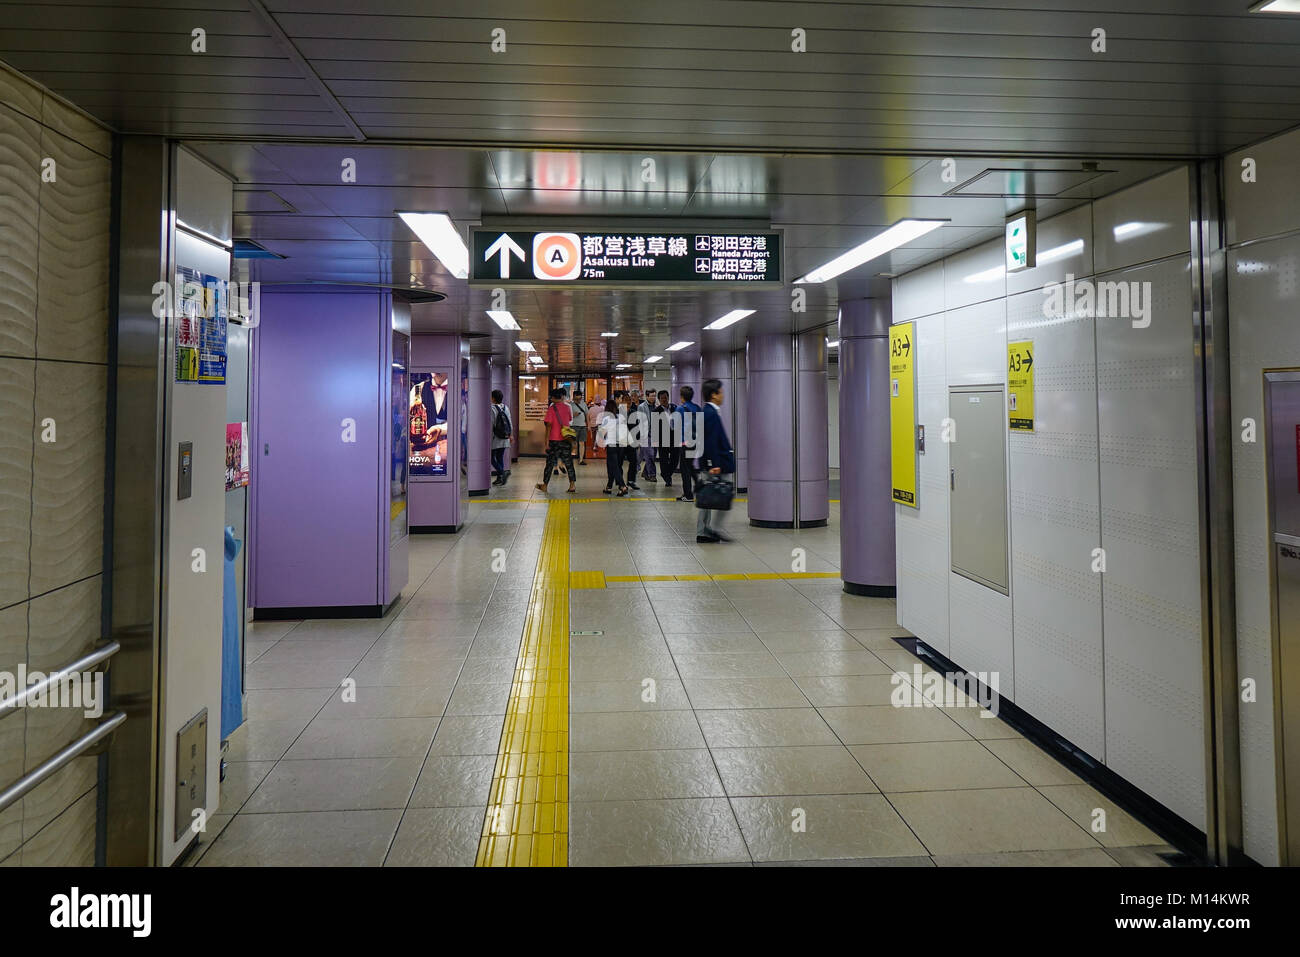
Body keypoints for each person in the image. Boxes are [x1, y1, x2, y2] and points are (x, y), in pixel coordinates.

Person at [696, 378, 735, 543]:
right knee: (720, 495)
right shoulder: (710, 413)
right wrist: (714, 464)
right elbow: (710, 441)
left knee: (708, 496)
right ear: (714, 395)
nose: (723, 395)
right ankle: (712, 530)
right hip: (715, 464)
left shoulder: (708, 412)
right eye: (721, 391)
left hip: (712, 462)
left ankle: (705, 531)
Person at [536, 387, 576, 493]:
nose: (550, 399)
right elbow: (569, 420)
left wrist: (546, 440)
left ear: (554, 397)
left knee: (549, 463)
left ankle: (545, 485)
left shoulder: (552, 409)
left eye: (551, 397)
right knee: (568, 463)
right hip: (566, 439)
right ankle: (572, 485)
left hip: (554, 439)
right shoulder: (567, 407)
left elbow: (548, 425)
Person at [595, 399, 628, 496]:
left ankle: (622, 486)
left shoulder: (607, 418)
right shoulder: (621, 417)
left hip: (612, 444)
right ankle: (609, 486)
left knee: (614, 467)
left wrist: (599, 443)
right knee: (614, 466)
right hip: (621, 444)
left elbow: (602, 432)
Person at [675, 385, 701, 502]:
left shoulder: (680, 409)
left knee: (685, 469)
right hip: (695, 442)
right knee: (690, 466)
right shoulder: (697, 408)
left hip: (684, 443)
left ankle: (688, 495)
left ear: (682, 397)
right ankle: (699, 486)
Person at [490, 388, 512, 486]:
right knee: (500, 457)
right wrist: (511, 435)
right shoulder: (505, 408)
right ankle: (500, 478)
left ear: (493, 398)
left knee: (491, 457)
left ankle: (502, 473)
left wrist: (489, 438)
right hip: (505, 436)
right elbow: (509, 422)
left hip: (495, 437)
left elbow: (491, 424)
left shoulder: (492, 408)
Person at [655, 389, 676, 486]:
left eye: (665, 398)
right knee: (663, 460)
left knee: (675, 459)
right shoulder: (656, 411)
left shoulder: (675, 408)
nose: (664, 400)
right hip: (662, 439)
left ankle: (667, 474)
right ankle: (667, 478)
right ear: (659, 399)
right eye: (662, 398)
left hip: (675, 438)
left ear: (668, 397)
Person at [569, 392, 589, 466]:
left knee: (582, 443)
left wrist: (588, 424)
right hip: (573, 426)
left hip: (583, 426)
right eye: (577, 399)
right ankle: (570, 458)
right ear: (573, 397)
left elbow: (587, 414)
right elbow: (567, 416)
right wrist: (573, 415)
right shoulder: (570, 405)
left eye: (580, 398)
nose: (579, 400)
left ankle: (581, 460)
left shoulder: (584, 404)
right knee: (573, 444)